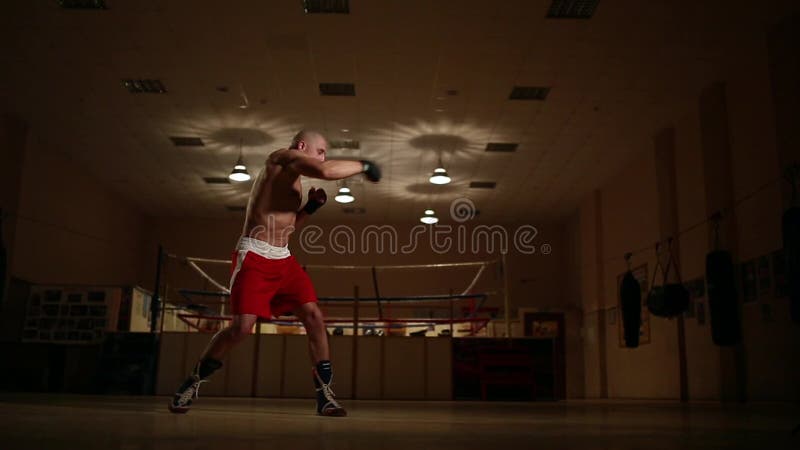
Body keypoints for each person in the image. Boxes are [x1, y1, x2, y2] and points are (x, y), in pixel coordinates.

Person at [169, 130, 381, 416]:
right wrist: (364, 165)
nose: (323, 157)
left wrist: (310, 208)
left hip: (283, 259)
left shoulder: (293, 181)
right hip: (255, 256)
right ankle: (192, 382)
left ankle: (325, 395)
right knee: (241, 329)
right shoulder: (282, 157)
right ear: (302, 146)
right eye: (321, 151)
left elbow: (287, 225)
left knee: (314, 316)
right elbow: (326, 171)